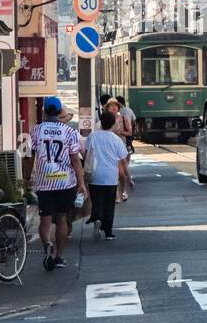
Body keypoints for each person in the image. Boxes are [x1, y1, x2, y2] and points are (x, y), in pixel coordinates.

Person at [24, 96, 88, 272]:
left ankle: (47, 247)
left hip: (45, 183)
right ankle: (59, 257)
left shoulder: (36, 131)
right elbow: (75, 159)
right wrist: (81, 183)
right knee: (61, 219)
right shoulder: (68, 132)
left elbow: (29, 158)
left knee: (44, 220)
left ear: (45, 111)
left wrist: (26, 178)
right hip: (66, 182)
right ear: (60, 112)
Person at [84, 109, 129, 240]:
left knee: (96, 201)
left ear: (101, 123)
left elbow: (87, 155)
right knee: (109, 204)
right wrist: (128, 178)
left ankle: (97, 217)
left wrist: (83, 174)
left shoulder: (92, 136)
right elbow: (123, 160)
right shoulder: (116, 139)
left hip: (94, 175)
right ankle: (108, 231)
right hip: (110, 177)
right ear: (113, 123)